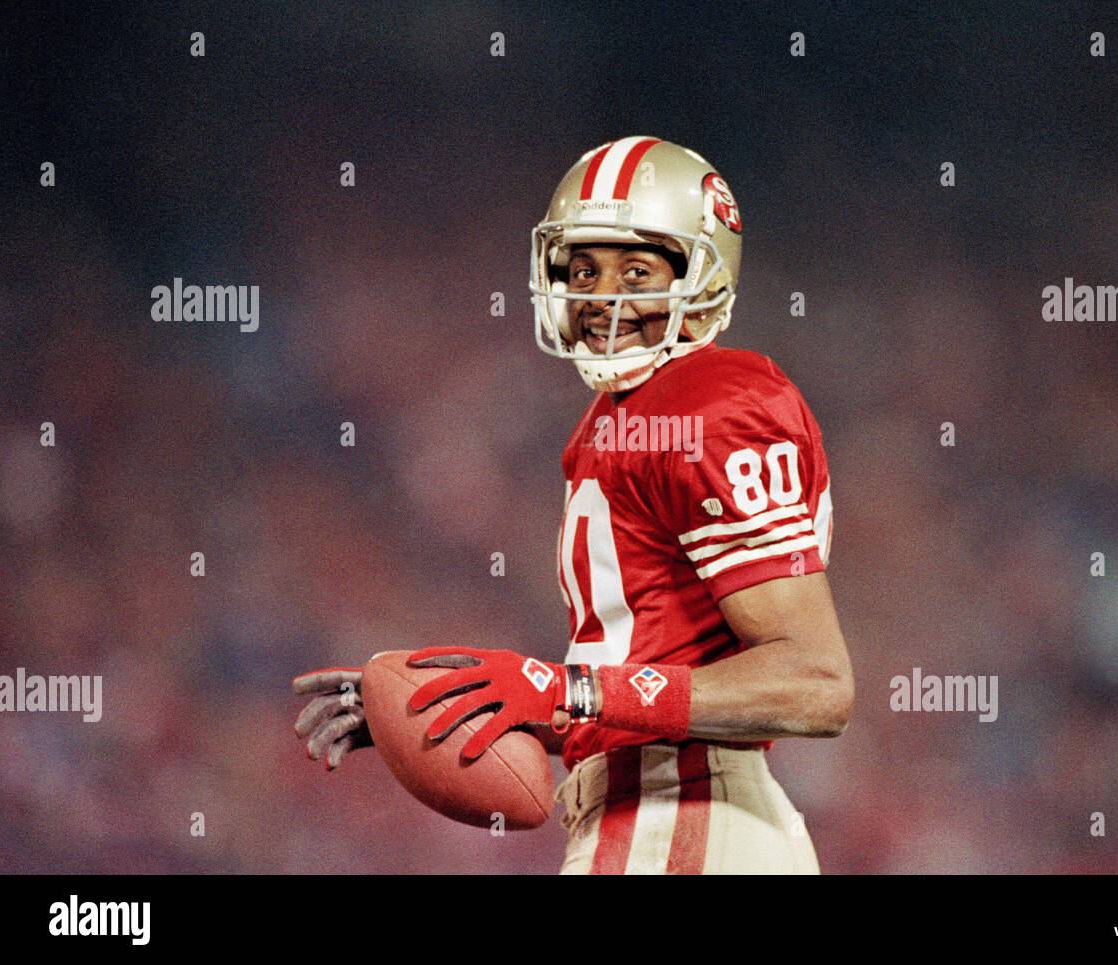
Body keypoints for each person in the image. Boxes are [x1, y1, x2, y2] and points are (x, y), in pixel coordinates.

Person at [293, 137, 854, 874]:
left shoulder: (715, 401)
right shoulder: (618, 420)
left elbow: (815, 681)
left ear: (702, 277)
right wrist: (456, 703)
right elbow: (638, 685)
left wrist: (567, 686)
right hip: (659, 820)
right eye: (583, 268)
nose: (601, 295)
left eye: (637, 270)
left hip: (681, 819)